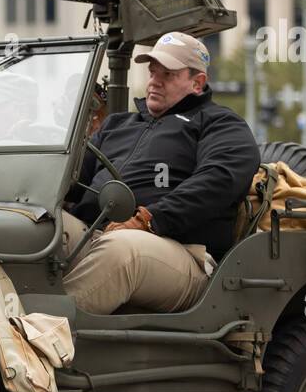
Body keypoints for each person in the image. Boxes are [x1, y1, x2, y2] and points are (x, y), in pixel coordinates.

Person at [60, 31, 260, 315]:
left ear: (197, 82)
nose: (154, 81)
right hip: (98, 234)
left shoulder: (220, 124)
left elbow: (218, 181)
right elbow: (70, 176)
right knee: (35, 225)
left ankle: (37, 337)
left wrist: (149, 219)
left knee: (122, 251)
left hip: (181, 254)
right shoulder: (119, 124)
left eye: (168, 74)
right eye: (153, 72)